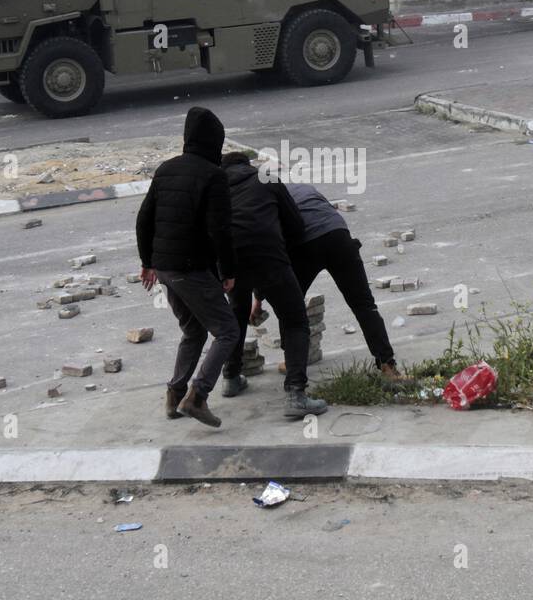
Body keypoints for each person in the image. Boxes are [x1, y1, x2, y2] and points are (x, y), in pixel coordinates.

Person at [135, 107, 240, 427]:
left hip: (165, 267)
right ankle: (197, 396)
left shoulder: (166, 169)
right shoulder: (214, 176)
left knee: (193, 329)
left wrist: (147, 262)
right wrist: (228, 271)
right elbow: (219, 230)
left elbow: (144, 219)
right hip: (190, 267)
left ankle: (173, 395)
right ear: (214, 142)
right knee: (227, 331)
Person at [218, 152, 327, 418]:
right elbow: (295, 225)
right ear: (249, 164)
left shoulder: (215, 187)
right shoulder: (266, 179)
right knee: (294, 320)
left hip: (231, 263)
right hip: (269, 257)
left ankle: (231, 377)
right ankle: (296, 394)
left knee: (237, 316)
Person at [258, 182, 402, 381]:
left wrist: (258, 298)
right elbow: (328, 211)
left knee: (290, 307)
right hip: (338, 237)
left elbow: (271, 244)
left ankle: (292, 363)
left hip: (304, 245)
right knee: (364, 304)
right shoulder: (305, 187)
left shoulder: (267, 200)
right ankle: (387, 364)